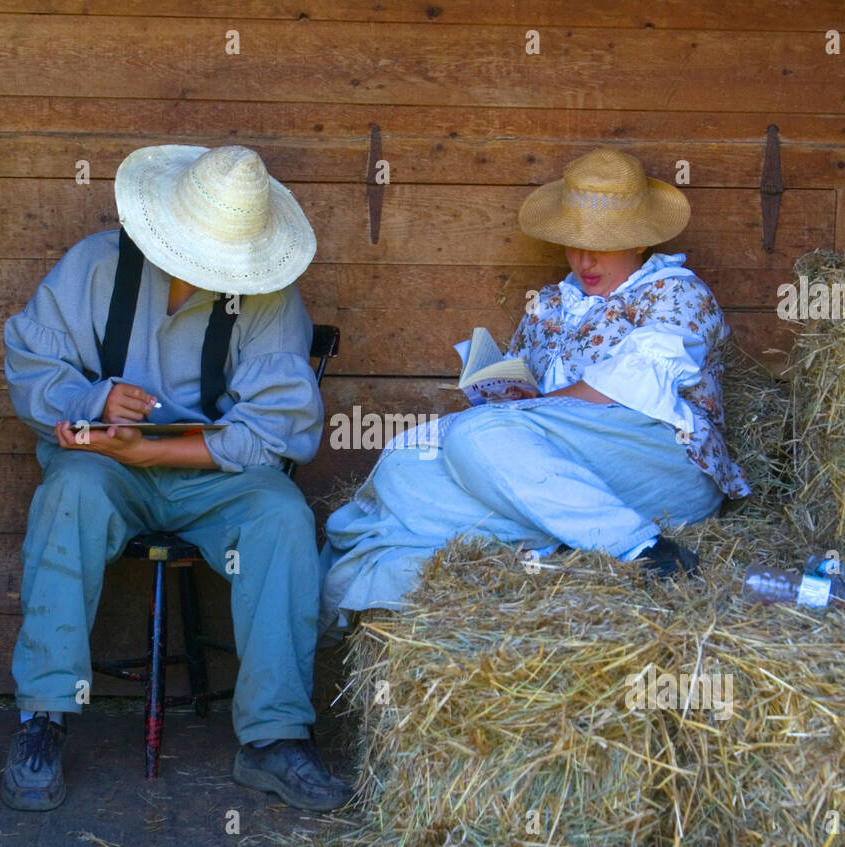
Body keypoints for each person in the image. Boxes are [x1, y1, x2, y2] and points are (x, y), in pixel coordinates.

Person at [1, 144, 351, 812]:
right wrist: (93, 403)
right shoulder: (96, 266)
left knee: (281, 515)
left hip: (211, 473)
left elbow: (278, 434)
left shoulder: (269, 296)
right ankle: (43, 718)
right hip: (106, 470)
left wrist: (158, 454)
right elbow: (29, 365)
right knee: (69, 493)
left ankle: (275, 739)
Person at [320, 148, 752, 636]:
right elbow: (527, 411)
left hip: (657, 457)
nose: (584, 259)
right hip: (564, 459)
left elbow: (632, 387)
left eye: (602, 244)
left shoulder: (676, 293)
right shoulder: (548, 305)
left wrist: (524, 413)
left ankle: (644, 548)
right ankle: (557, 537)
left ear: (639, 242)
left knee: (473, 439)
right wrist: (507, 396)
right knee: (404, 469)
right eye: (574, 243)